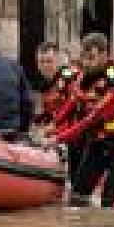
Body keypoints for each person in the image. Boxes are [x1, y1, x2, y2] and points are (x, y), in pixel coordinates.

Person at [46, 33, 114, 208]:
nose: (86, 62)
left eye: (91, 57)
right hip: (98, 139)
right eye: (84, 57)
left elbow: (93, 118)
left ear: (105, 55)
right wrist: (54, 124)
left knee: (109, 200)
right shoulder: (85, 74)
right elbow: (73, 102)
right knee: (78, 195)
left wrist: (58, 138)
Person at [32, 42, 82, 176]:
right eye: (41, 62)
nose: (45, 66)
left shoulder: (69, 77)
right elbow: (49, 112)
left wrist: (53, 130)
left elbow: (73, 108)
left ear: (58, 60)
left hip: (76, 136)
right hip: (61, 135)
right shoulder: (46, 85)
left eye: (49, 61)